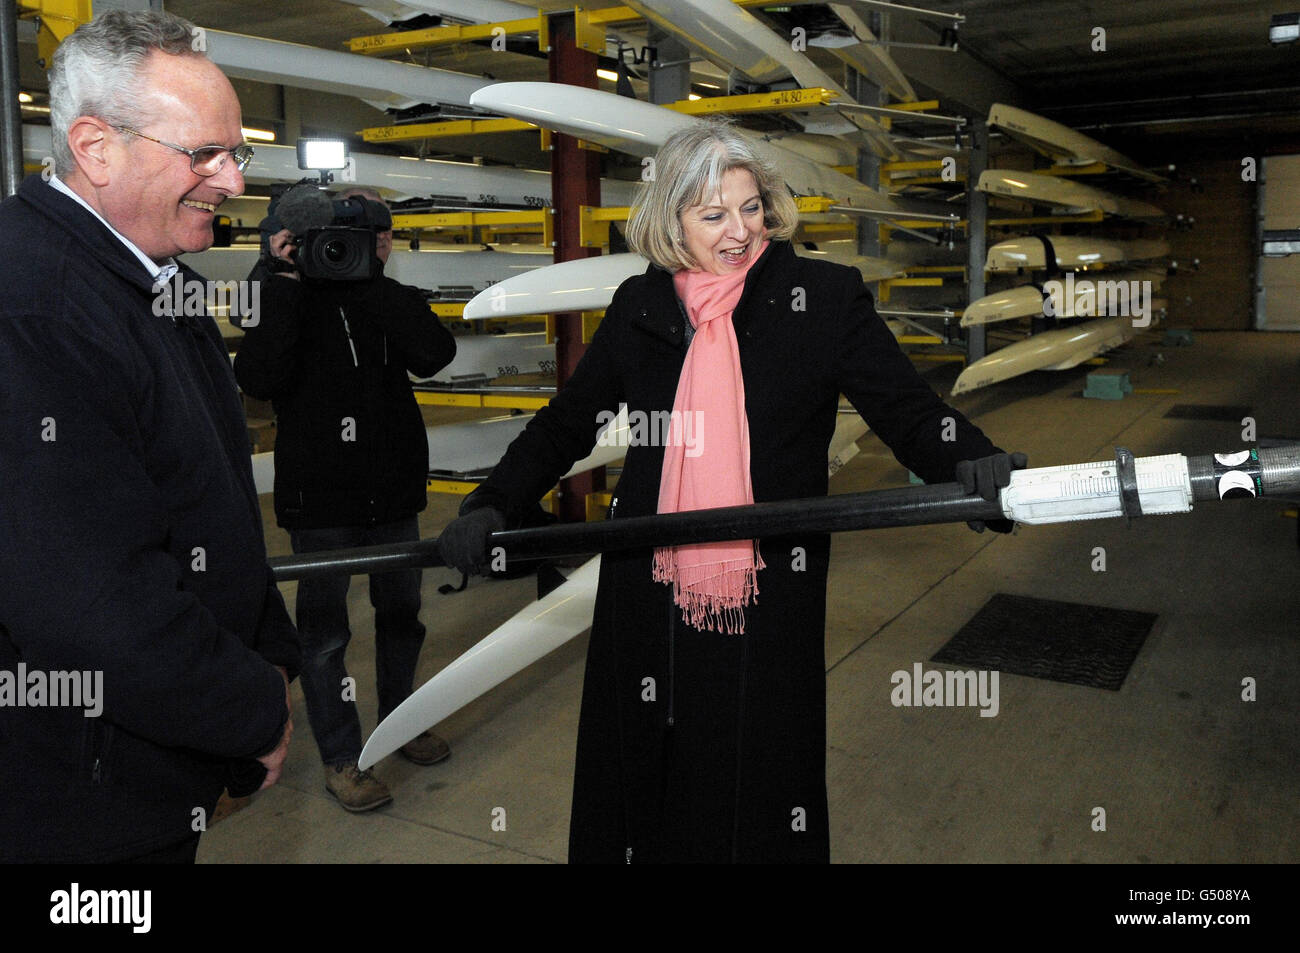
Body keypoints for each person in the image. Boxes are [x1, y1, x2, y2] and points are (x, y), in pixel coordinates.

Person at [438, 119, 1025, 863]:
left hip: (767, 577)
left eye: (751, 207)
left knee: (755, 766)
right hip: (646, 578)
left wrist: (973, 464)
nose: (741, 231)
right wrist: (492, 501)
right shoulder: (641, 307)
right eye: (713, 215)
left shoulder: (822, 297)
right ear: (671, 223)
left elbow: (906, 409)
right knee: (644, 759)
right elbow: (566, 424)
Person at [0, 10, 296, 863]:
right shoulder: (35, 309)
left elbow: (218, 503)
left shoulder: (155, 277)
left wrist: (269, 657)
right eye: (204, 154)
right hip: (76, 803)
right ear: (94, 146)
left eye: (237, 153)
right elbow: (88, 603)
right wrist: (252, 708)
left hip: (144, 767)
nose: (232, 182)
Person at [233, 188, 457, 812]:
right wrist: (283, 283)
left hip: (391, 490)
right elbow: (256, 379)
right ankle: (342, 757)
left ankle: (402, 726)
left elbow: (435, 355)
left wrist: (365, 279)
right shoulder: (282, 298)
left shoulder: (383, 296)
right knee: (325, 634)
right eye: (342, 240)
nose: (361, 247)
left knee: (401, 617)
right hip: (320, 495)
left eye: (373, 238)